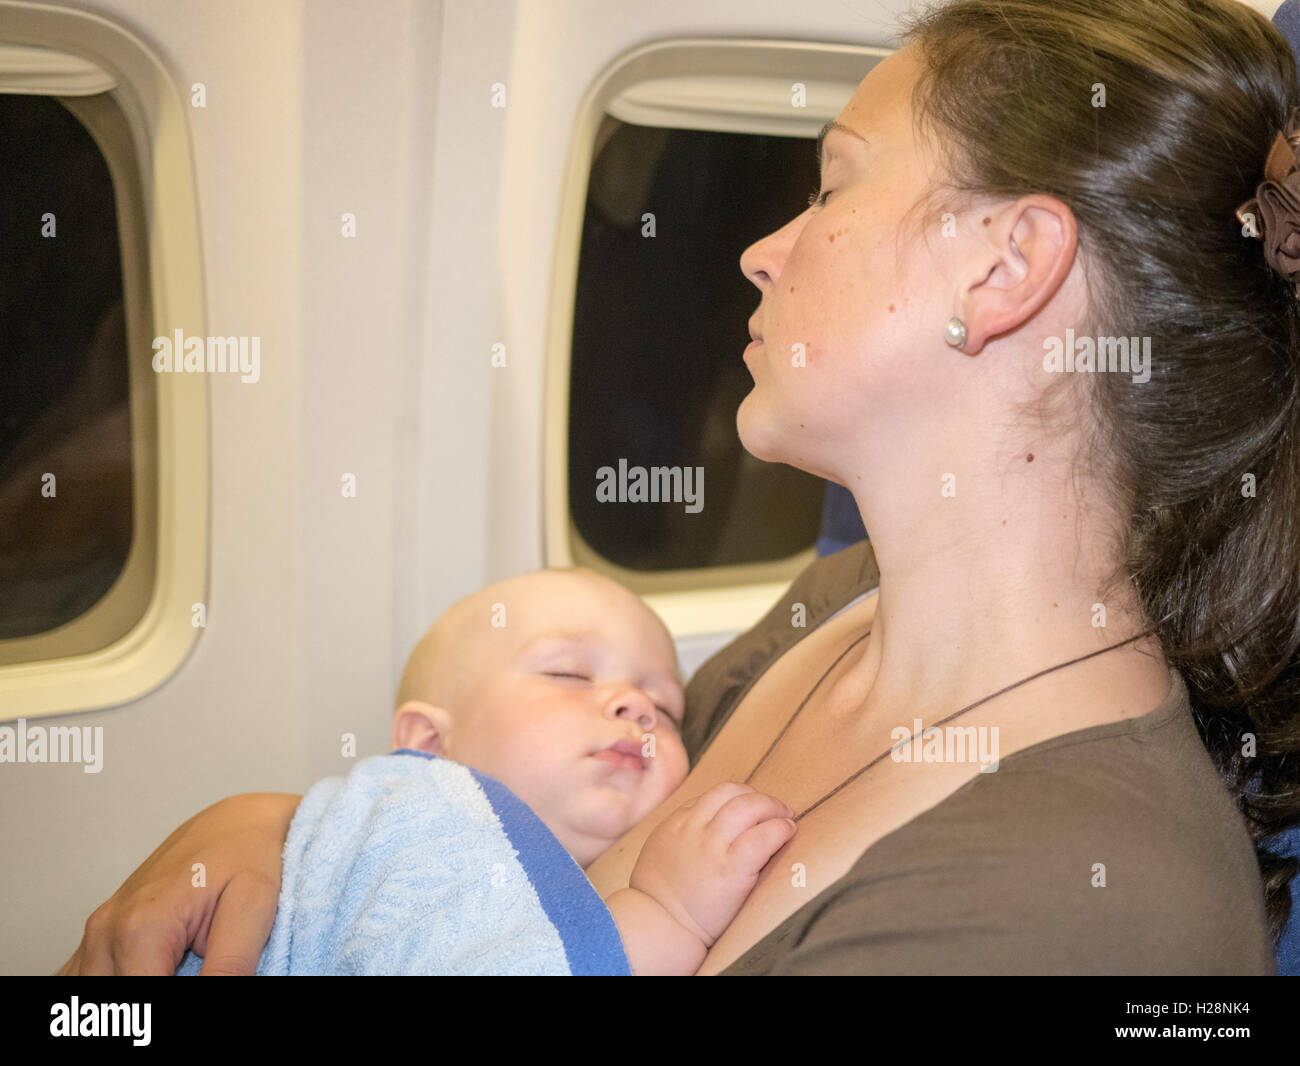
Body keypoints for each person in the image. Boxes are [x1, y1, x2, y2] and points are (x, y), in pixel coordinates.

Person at [61, 0, 1300, 976]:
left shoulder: (1084, 898)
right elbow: (547, 881)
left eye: (831, 185)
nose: (761, 251)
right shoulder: (834, 605)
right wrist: (290, 832)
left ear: (1004, 266)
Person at [173, 567, 795, 975]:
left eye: (665, 709)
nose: (636, 705)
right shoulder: (422, 816)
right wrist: (669, 913)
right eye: (569, 674)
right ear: (430, 742)